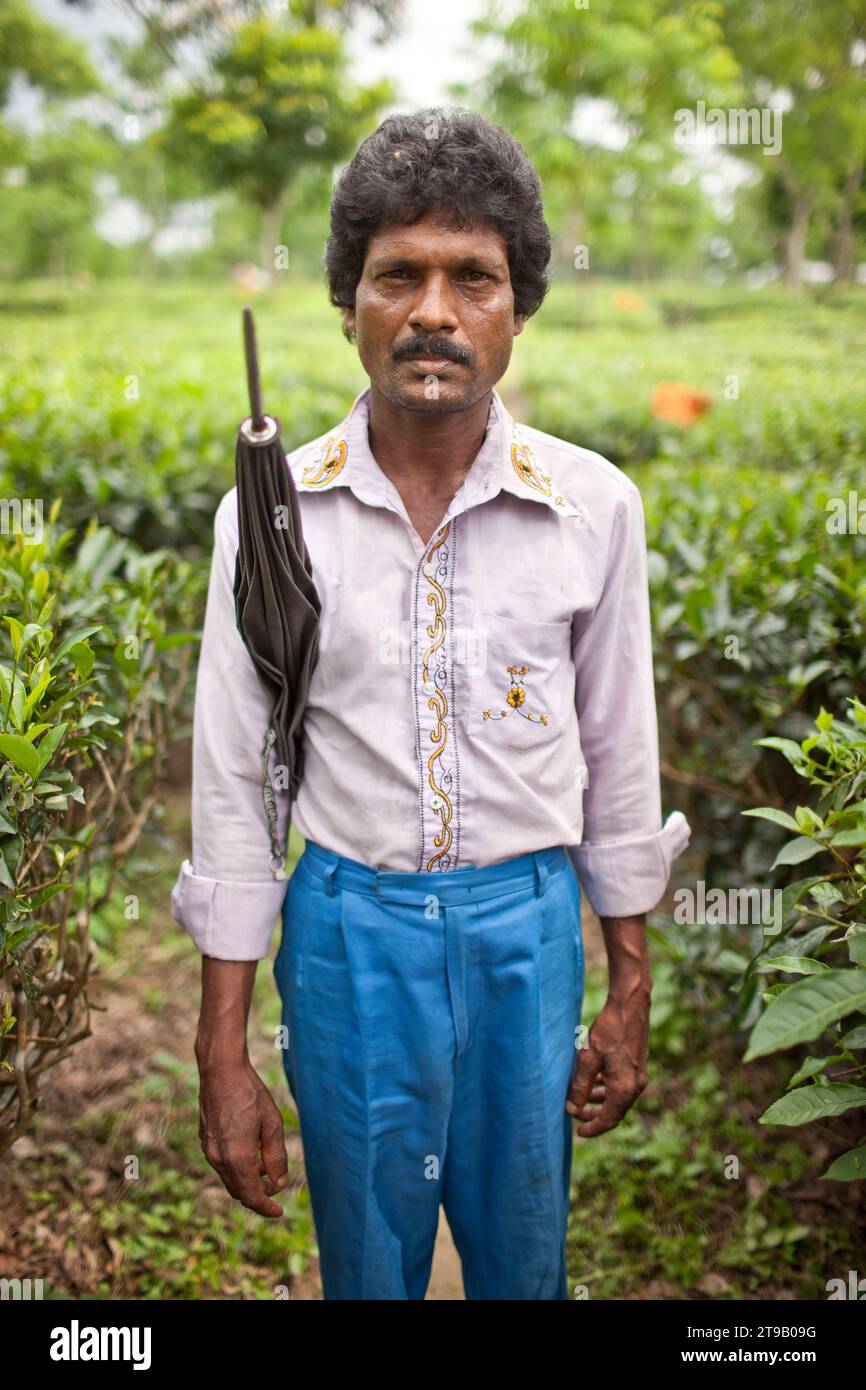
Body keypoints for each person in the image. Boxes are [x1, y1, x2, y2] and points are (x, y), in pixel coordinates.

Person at [171, 106, 691, 1301]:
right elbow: (234, 776)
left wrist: (626, 982)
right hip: (349, 934)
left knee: (521, 1250)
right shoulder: (272, 512)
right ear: (350, 299)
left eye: (475, 278)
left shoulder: (591, 506)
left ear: (518, 307)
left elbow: (618, 751)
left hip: (527, 924)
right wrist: (223, 1044)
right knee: (366, 1257)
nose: (434, 313)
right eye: (396, 275)